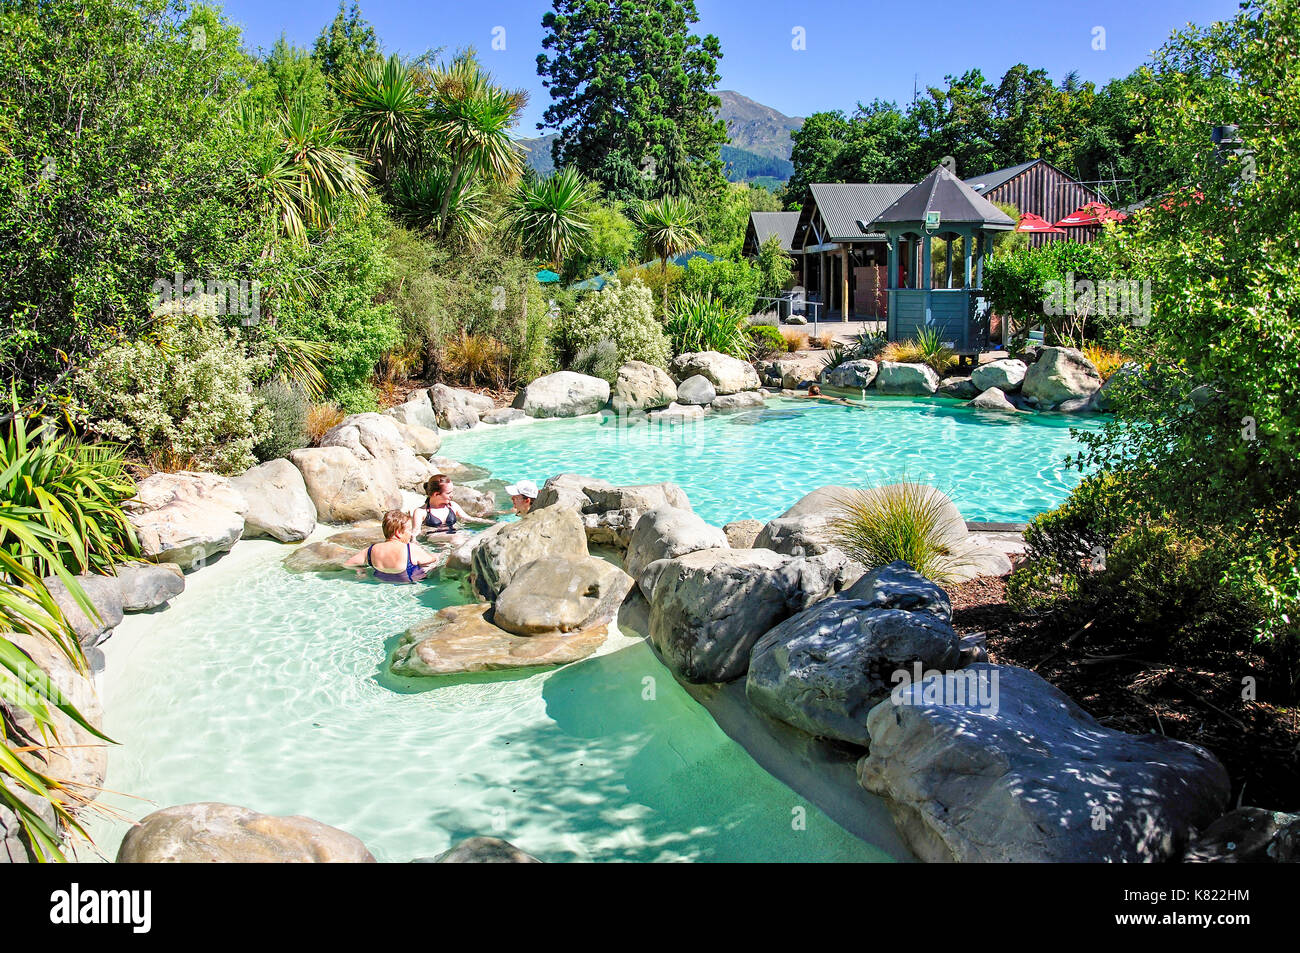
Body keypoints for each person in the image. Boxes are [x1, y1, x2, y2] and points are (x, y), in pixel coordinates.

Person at [344, 510, 438, 584]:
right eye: (409, 530)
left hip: (381, 583)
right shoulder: (411, 549)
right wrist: (438, 555)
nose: (411, 534)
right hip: (408, 585)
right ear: (398, 533)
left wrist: (361, 570)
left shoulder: (370, 550)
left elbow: (348, 564)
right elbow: (432, 560)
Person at [412, 474, 490, 538]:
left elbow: (469, 518)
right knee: (456, 538)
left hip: (453, 534)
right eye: (448, 493)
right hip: (434, 537)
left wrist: (491, 522)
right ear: (436, 494)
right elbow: (416, 531)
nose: (452, 495)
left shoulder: (452, 506)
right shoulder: (421, 512)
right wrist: (414, 541)